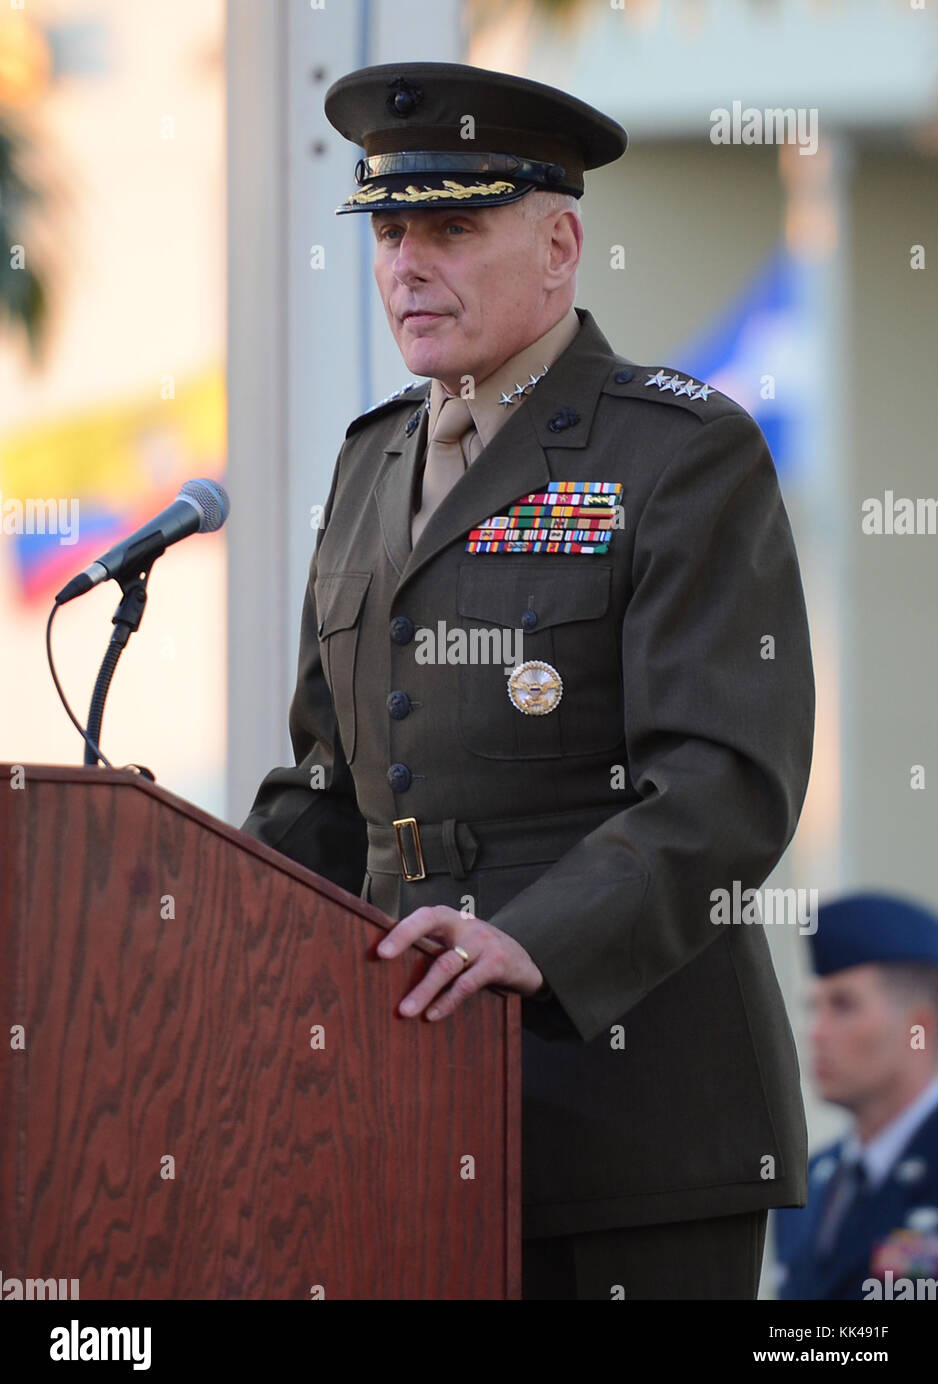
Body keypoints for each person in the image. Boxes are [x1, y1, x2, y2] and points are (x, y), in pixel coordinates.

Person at [242, 60, 816, 1299]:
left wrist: (527, 941)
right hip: (400, 1116)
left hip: (629, 1127)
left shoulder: (674, 450)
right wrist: (182, 928)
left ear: (558, 245)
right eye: (390, 229)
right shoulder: (367, 463)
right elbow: (325, 788)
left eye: (452, 226)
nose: (407, 262)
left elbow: (724, 779)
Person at [774, 893, 938, 1300]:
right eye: (815, 1007)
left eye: (843, 1006)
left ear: (918, 1027)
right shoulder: (809, 1184)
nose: (816, 1032)